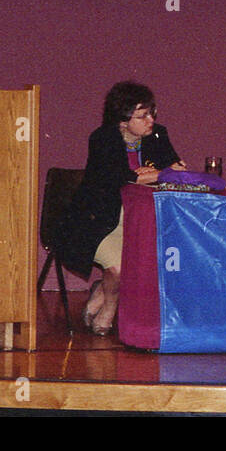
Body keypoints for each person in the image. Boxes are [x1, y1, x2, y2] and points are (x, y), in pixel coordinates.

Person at [58, 81, 185, 335]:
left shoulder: (158, 134)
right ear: (123, 121)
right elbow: (120, 177)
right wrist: (156, 174)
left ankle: (102, 290)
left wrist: (157, 173)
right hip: (99, 221)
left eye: (152, 113)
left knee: (148, 260)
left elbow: (178, 170)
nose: (150, 120)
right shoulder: (103, 138)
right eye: (142, 116)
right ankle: (110, 306)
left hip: (139, 219)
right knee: (118, 269)